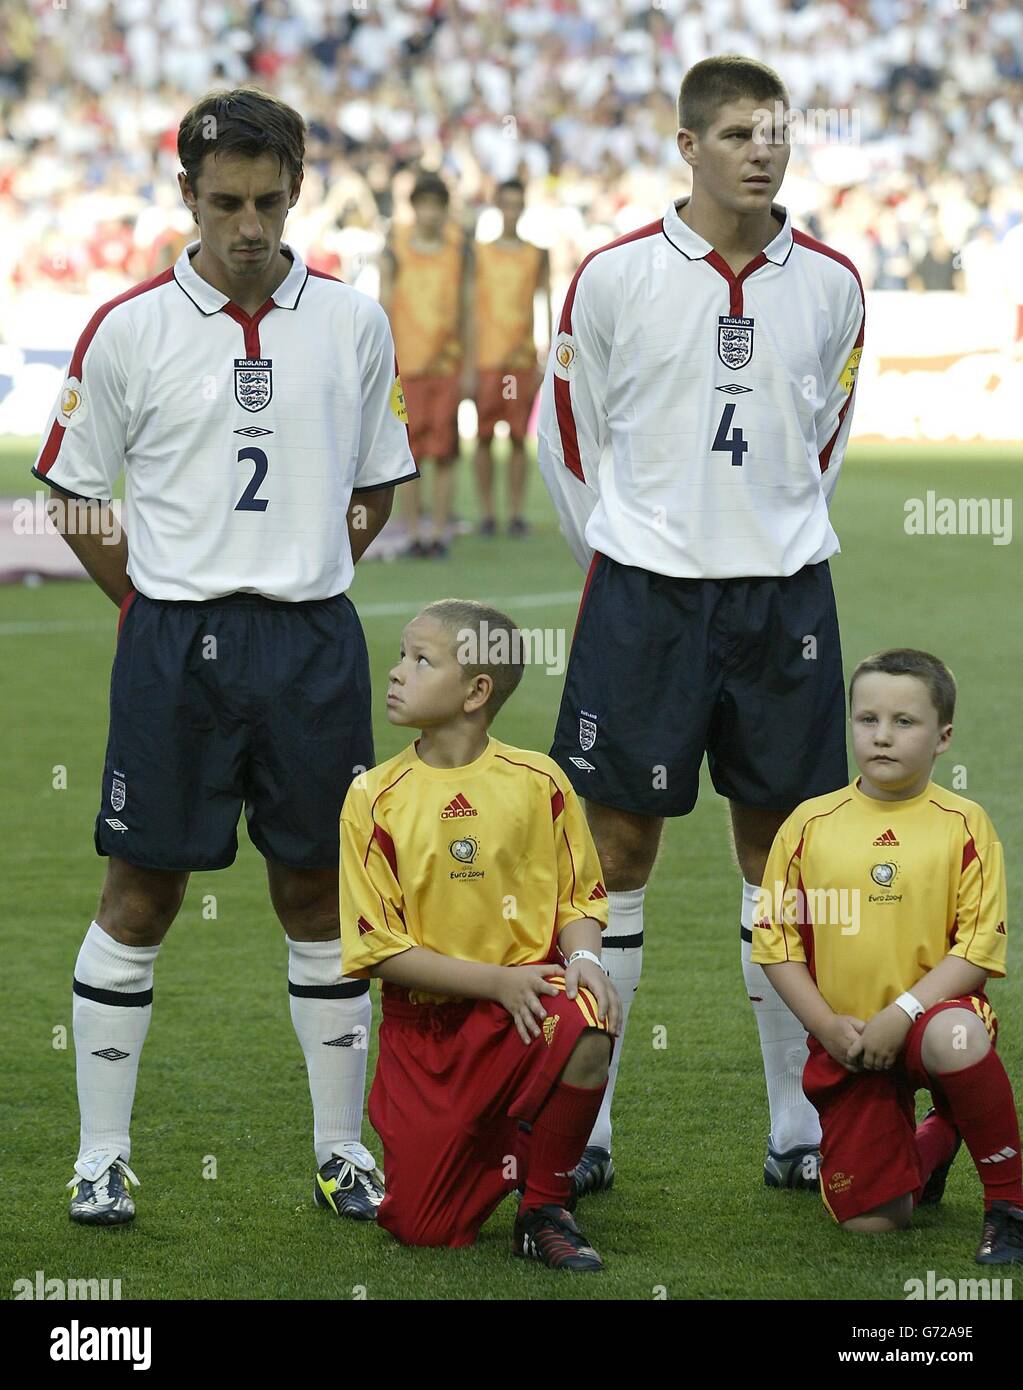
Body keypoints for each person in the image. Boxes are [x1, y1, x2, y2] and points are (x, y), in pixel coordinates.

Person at [33, 87, 418, 1227]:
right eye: (223, 203)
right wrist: (157, 601)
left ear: (298, 189)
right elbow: (70, 490)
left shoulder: (352, 320)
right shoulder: (130, 326)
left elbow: (378, 483)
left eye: (266, 199)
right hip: (175, 643)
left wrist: (298, 566)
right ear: (187, 198)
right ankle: (103, 1156)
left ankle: (340, 1150)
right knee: (140, 891)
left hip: (311, 642)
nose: (246, 225)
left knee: (318, 892)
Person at [537, 54, 866, 1198]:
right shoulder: (615, 277)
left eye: (774, 131)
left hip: (783, 601)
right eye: (735, 133)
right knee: (617, 855)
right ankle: (591, 1126)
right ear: (687, 147)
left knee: (780, 861)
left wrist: (764, 534)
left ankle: (794, 1126)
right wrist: (635, 552)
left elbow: (826, 437)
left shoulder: (832, 281)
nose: (761, 149)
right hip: (647, 598)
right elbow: (568, 442)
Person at [339, 599, 621, 1269]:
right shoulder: (374, 796)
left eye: (421, 660)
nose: (397, 672)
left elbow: (579, 894)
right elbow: (377, 949)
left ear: (476, 692)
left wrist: (582, 957)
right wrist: (493, 980)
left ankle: (543, 1206)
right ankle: (518, 1134)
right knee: (422, 1228)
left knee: (585, 1017)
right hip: (428, 1034)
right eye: (402, 656)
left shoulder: (537, 780)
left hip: (523, 1012)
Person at [753, 649, 1021, 1263]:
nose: (882, 736)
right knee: (876, 1223)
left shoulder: (965, 823)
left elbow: (976, 952)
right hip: (847, 1040)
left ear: (943, 737)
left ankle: (1009, 1206)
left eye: (905, 722)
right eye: (867, 719)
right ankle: (940, 1134)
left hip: (931, 1021)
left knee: (958, 1037)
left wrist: (900, 1013)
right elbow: (777, 945)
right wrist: (827, 1027)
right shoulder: (808, 824)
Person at [379, 172, 474, 558]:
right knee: (410, 454)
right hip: (407, 368)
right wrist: (384, 364)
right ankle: (414, 533)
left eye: (438, 206)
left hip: (446, 366)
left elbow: (469, 310)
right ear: (414, 207)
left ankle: (438, 532)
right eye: (424, 205)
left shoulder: (459, 250)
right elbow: (383, 308)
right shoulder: (395, 249)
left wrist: (469, 365)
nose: (431, 214)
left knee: (446, 451)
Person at [472, 179, 551, 537]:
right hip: (488, 358)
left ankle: (516, 513)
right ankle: (488, 513)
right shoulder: (480, 253)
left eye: (517, 204)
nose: (511, 211)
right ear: (496, 206)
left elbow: (544, 302)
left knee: (519, 437)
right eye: (505, 204)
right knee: (485, 436)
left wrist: (545, 352)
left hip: (520, 360)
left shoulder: (536, 253)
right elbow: (469, 306)